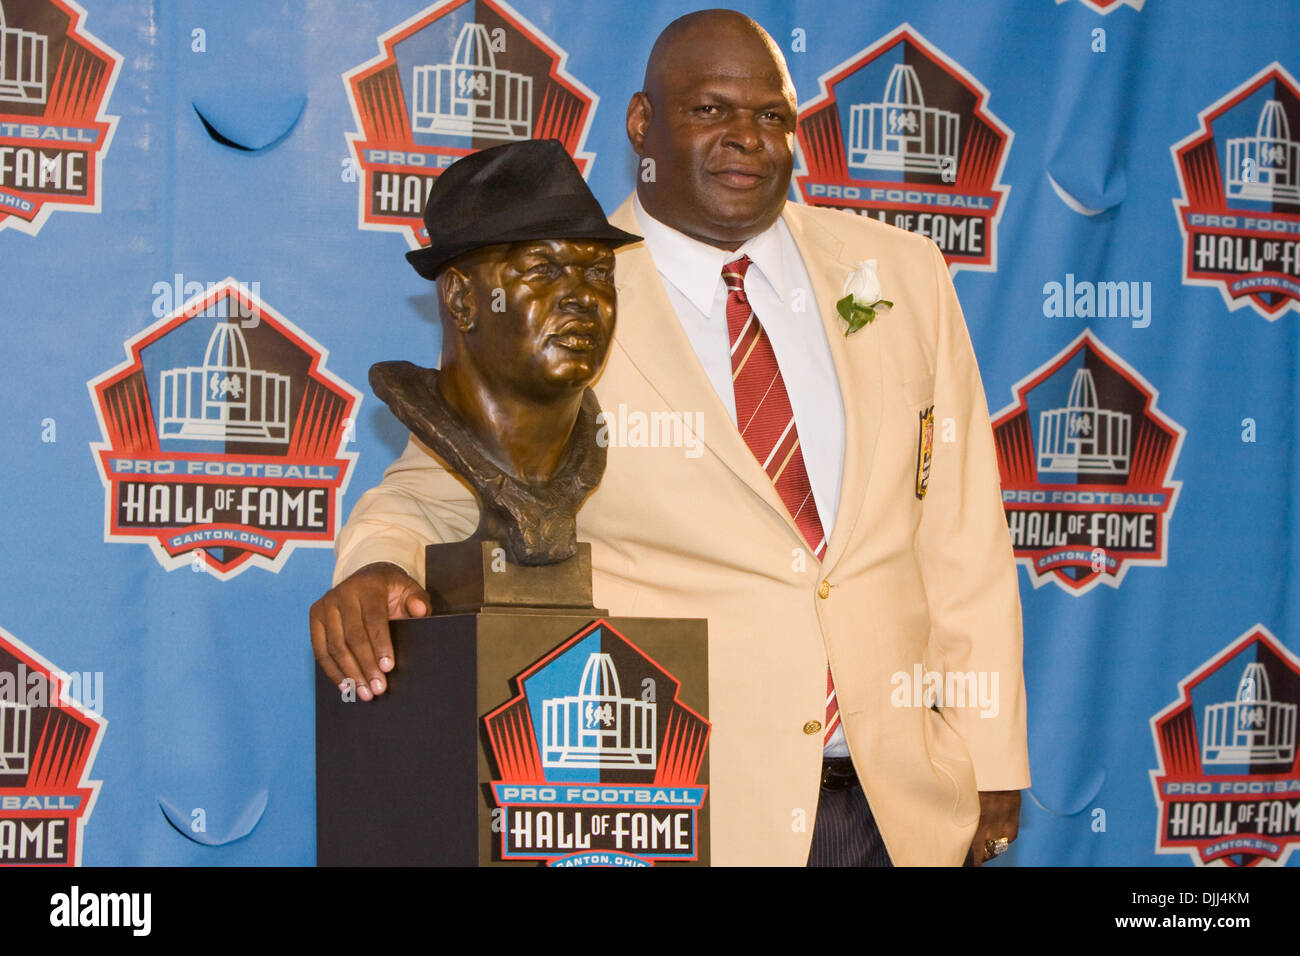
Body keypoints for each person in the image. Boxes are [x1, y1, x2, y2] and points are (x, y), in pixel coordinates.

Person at [311, 8, 1029, 867]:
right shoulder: (568, 294)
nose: (748, 139)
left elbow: (960, 533)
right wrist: (375, 567)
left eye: (771, 116)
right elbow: (424, 494)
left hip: (900, 809)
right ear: (643, 124)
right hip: (689, 808)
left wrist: (987, 754)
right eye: (711, 110)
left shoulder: (900, 274)